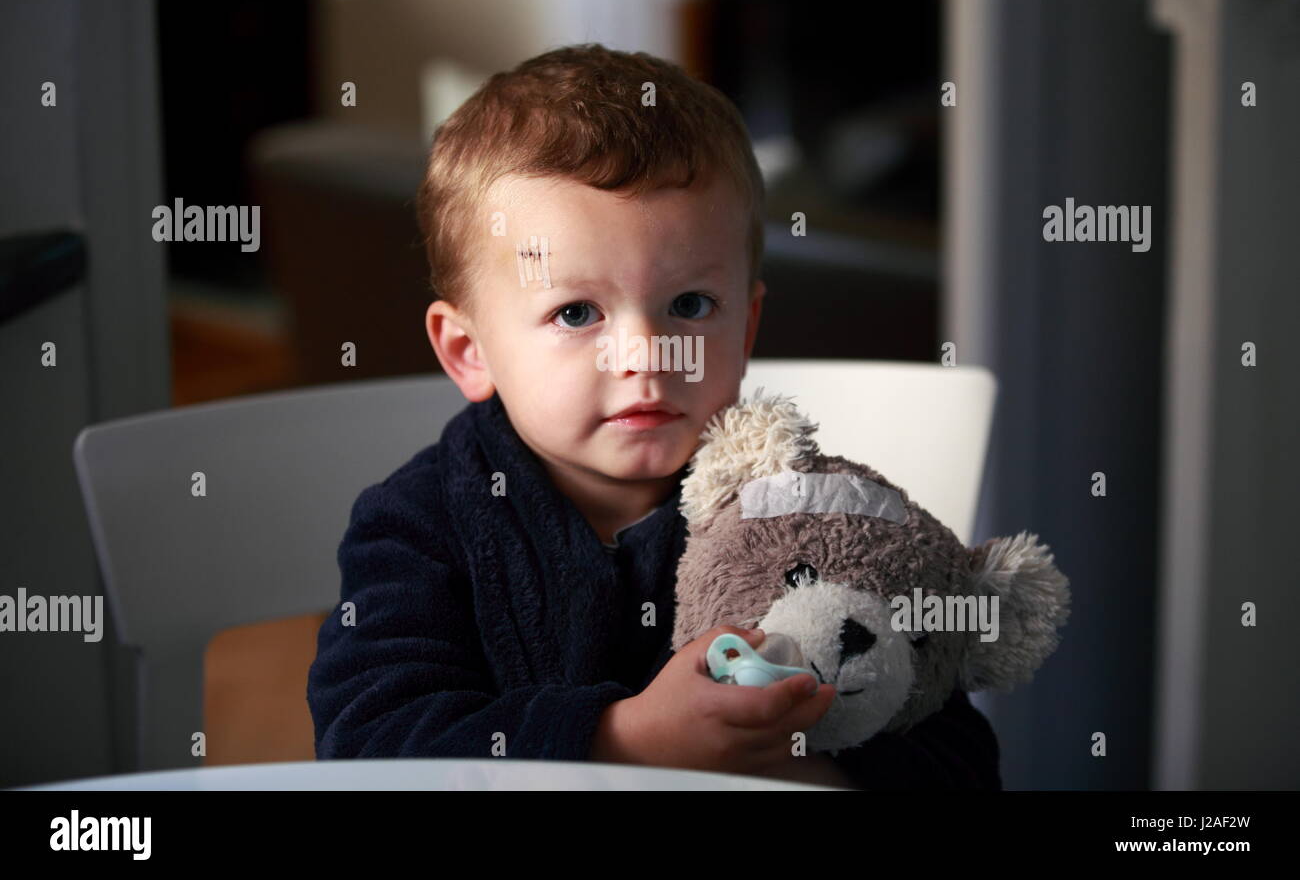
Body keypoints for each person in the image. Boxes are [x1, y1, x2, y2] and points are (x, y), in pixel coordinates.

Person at [306, 43, 1001, 789]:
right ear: (470, 351)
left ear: (747, 326)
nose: (644, 354)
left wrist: (811, 759)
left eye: (690, 306)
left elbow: (956, 750)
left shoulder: (809, 513)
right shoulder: (418, 524)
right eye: (577, 312)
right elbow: (369, 745)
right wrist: (625, 740)